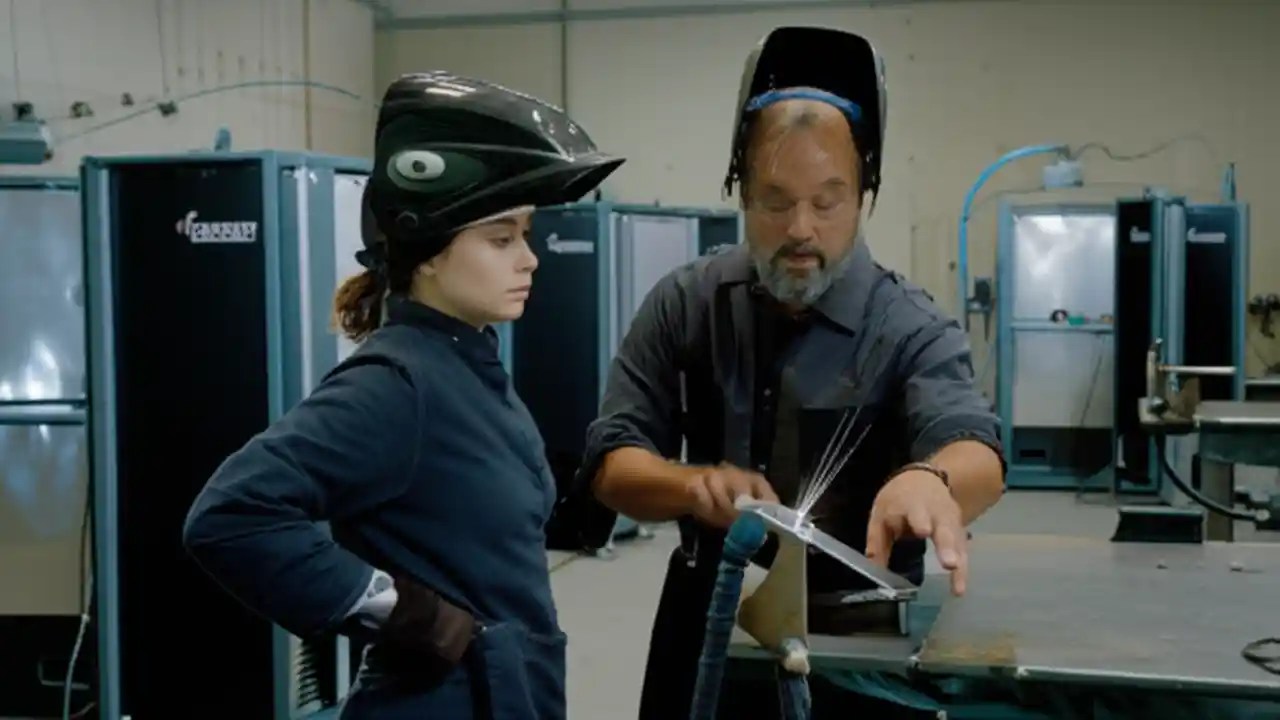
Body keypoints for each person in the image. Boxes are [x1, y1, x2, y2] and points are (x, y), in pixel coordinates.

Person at [566, 27, 1006, 719]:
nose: (801, 227)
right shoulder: (687, 304)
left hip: (854, 648)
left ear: (864, 192)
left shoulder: (909, 326)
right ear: (739, 190)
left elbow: (976, 446)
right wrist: (692, 484)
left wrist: (934, 479)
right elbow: (612, 463)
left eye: (827, 202)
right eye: (774, 200)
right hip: (706, 621)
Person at [182, 71, 624, 720]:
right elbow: (229, 516)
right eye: (501, 239)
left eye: (524, 235)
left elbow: (459, 510)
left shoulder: (468, 362)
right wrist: (401, 611)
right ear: (429, 254)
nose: (528, 259)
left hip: (507, 694)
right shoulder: (395, 383)